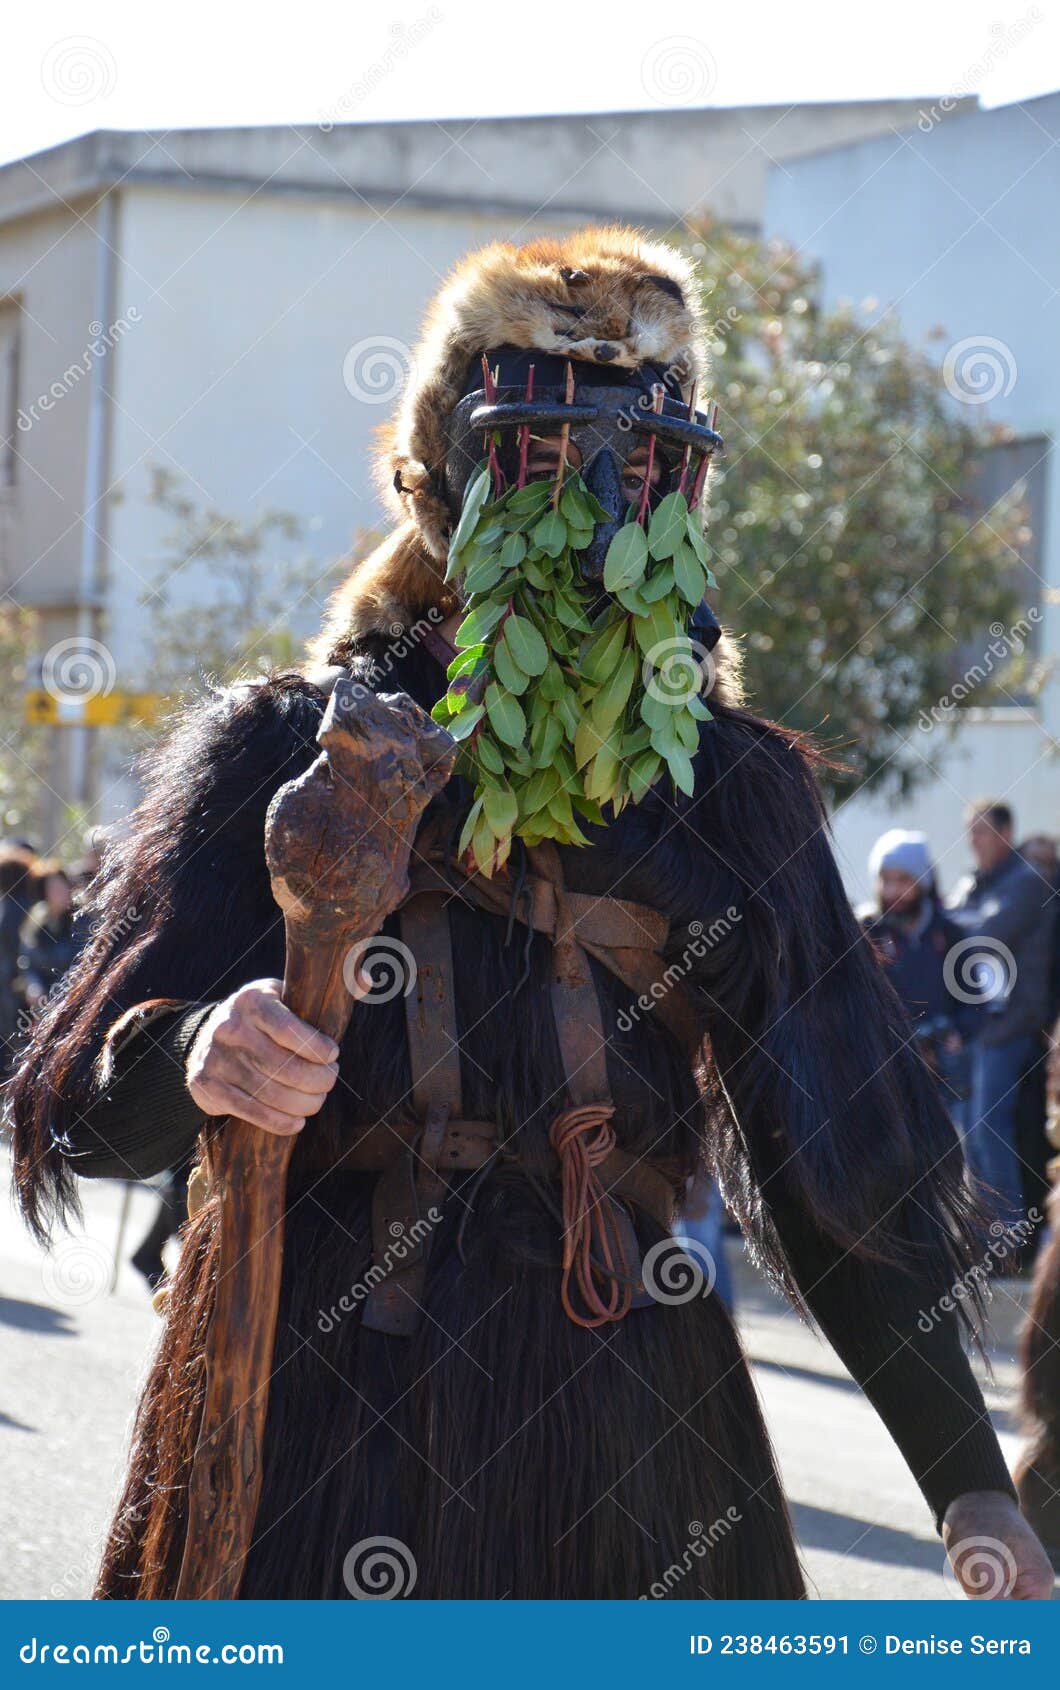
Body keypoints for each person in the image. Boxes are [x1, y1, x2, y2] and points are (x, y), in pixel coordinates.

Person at [8, 228, 1051, 1600]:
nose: (603, 499)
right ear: (445, 473)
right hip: (318, 1424)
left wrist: (973, 1484)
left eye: (643, 460)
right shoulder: (285, 754)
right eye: (546, 455)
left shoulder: (728, 796)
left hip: (637, 1436)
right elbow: (77, 1105)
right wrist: (203, 1050)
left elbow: (844, 1169)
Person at [949, 802, 1058, 1231]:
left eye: (980, 832)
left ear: (1005, 833)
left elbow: (980, 933)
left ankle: (1008, 1237)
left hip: (1011, 1026)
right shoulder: (985, 882)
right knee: (972, 1137)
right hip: (980, 1025)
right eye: (969, 832)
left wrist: (952, 919)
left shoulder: (1027, 881)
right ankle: (984, 1237)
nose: (972, 842)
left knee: (987, 1130)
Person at [860, 829, 976, 1108]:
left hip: (950, 1077)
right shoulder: (866, 934)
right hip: (891, 1079)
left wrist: (958, 1033)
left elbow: (975, 1000)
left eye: (902, 880)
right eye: (885, 880)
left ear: (921, 881)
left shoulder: (948, 933)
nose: (892, 891)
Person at [17, 861, 81, 1011]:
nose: (60, 892)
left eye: (62, 886)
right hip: (46, 1008)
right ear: (44, 894)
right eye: (54, 889)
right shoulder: (36, 925)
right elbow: (28, 962)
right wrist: (33, 985)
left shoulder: (83, 919)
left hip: (76, 1002)